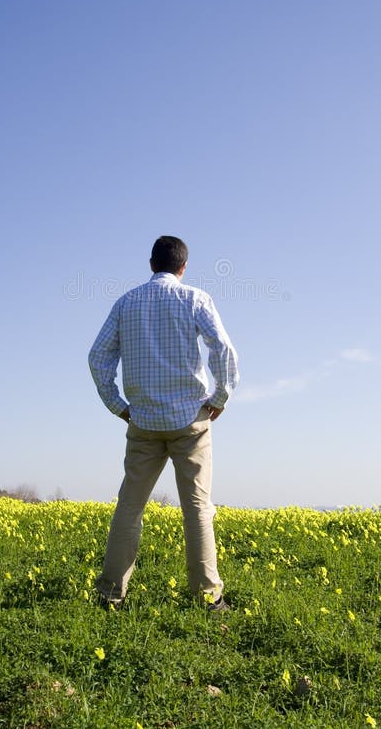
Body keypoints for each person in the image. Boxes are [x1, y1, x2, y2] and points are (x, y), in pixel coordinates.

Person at [88, 235, 239, 611]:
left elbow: (97, 357)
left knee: (129, 507)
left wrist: (118, 405)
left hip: (143, 422)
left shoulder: (126, 303)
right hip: (191, 420)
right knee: (197, 507)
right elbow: (221, 348)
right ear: (183, 267)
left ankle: (111, 595)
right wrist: (219, 398)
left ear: (151, 263)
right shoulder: (195, 299)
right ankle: (208, 598)